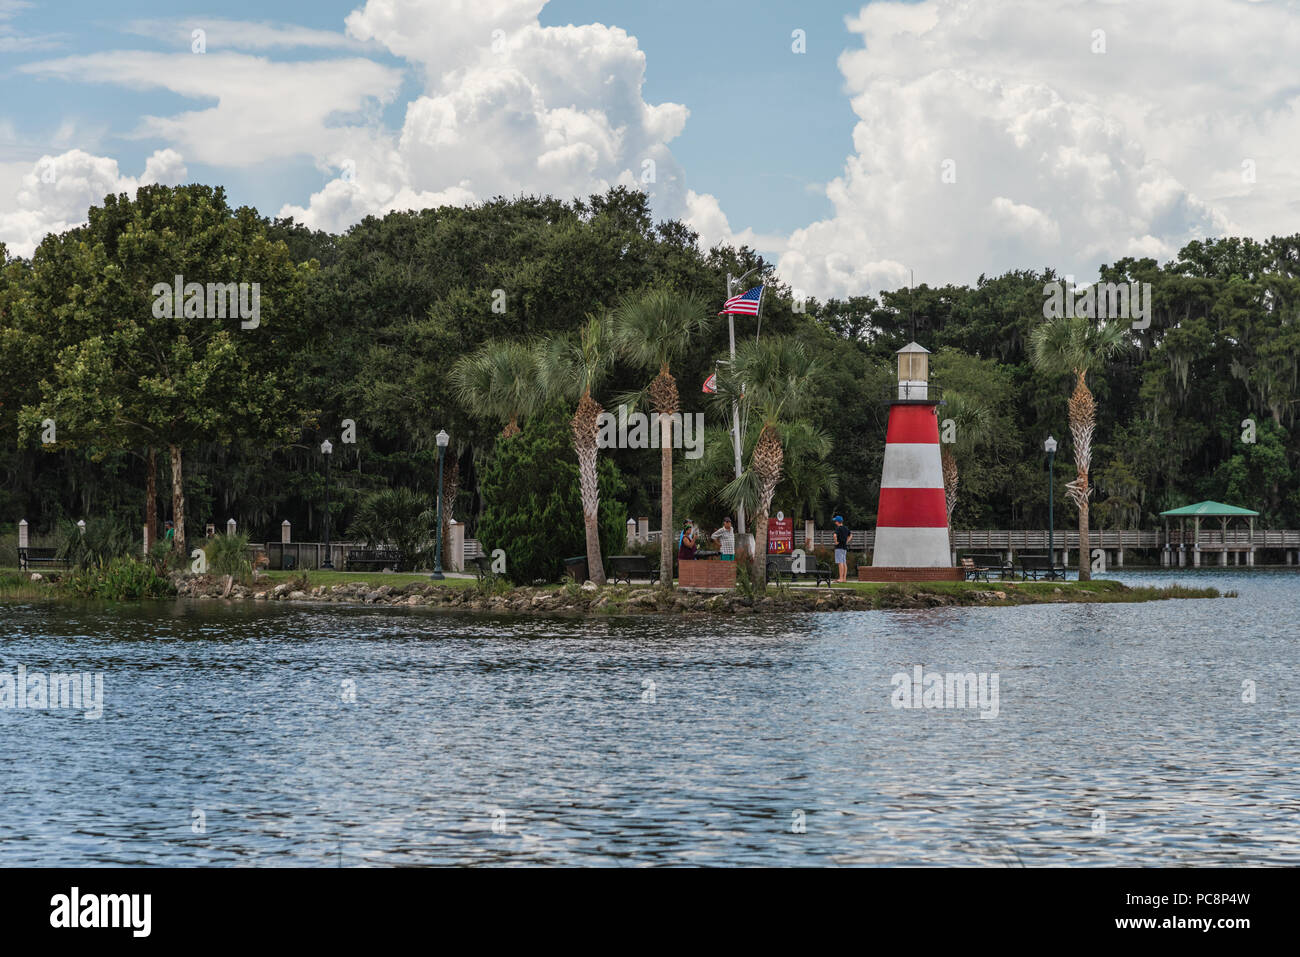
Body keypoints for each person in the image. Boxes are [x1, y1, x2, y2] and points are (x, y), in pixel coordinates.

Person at [833, 514, 853, 583]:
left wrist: (836, 542)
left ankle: (840, 578)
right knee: (844, 562)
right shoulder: (846, 528)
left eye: (835, 521)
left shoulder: (838, 528)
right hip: (844, 547)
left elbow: (835, 535)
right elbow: (851, 535)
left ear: (837, 522)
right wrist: (847, 541)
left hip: (839, 547)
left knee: (840, 562)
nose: (835, 522)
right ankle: (844, 579)